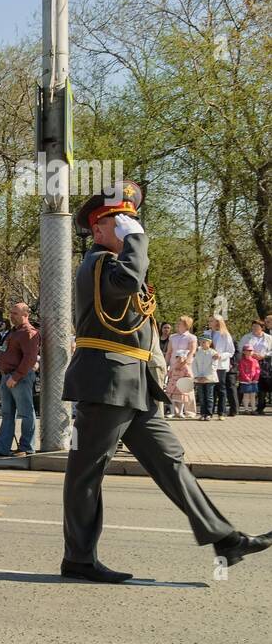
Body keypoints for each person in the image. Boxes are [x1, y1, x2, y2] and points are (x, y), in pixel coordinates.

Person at [61, 181, 270, 583]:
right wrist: (135, 239)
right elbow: (124, 287)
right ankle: (79, 558)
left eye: (131, 222)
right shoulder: (99, 264)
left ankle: (223, 537)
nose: (127, 228)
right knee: (87, 472)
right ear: (99, 228)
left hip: (135, 383)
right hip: (105, 382)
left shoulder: (120, 267)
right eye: (118, 222)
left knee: (171, 463)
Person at [0, 302, 40, 457]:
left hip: (18, 377)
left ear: (25, 315)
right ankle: (2, 447)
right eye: (11, 312)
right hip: (7, 376)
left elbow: (30, 359)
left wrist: (16, 377)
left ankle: (26, 447)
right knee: (7, 413)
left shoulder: (28, 332)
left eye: (15, 313)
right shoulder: (13, 332)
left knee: (26, 413)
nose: (11, 315)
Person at [166, 315, 198, 419]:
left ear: (186, 325)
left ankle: (190, 411)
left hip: (185, 367)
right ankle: (175, 411)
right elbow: (169, 352)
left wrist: (185, 364)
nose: (177, 324)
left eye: (180, 323)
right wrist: (166, 364)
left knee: (186, 388)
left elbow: (192, 351)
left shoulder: (192, 337)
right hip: (173, 366)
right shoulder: (172, 337)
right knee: (173, 388)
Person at [237, 319, 271, 413]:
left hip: (264, 362)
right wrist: (251, 354)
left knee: (262, 385)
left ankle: (260, 407)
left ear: (262, 328)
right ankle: (237, 406)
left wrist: (264, 355)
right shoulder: (247, 337)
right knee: (244, 384)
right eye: (253, 327)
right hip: (248, 362)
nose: (254, 328)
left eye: (257, 327)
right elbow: (240, 348)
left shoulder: (268, 338)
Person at [208, 316, 236, 418]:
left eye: (212, 321)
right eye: (209, 321)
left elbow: (231, 351)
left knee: (220, 389)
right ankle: (209, 412)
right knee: (211, 389)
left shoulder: (225, 335)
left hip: (220, 365)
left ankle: (221, 412)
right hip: (209, 365)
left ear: (217, 322)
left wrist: (221, 356)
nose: (209, 322)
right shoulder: (207, 333)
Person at [193, 334, 218, 421]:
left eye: (204, 342)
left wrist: (206, 376)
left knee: (209, 396)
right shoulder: (197, 352)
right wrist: (197, 376)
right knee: (201, 397)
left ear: (209, 343)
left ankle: (209, 414)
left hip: (209, 379)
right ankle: (202, 413)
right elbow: (194, 365)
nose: (202, 343)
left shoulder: (213, 353)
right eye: (200, 342)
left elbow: (214, 366)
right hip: (199, 378)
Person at [237, 345, 260, 412]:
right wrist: (247, 379)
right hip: (245, 381)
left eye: (251, 350)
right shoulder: (242, 361)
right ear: (244, 352)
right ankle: (246, 409)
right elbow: (241, 371)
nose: (249, 352)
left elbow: (257, 370)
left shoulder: (255, 361)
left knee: (253, 395)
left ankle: (253, 409)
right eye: (248, 350)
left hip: (254, 381)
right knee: (246, 395)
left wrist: (255, 378)